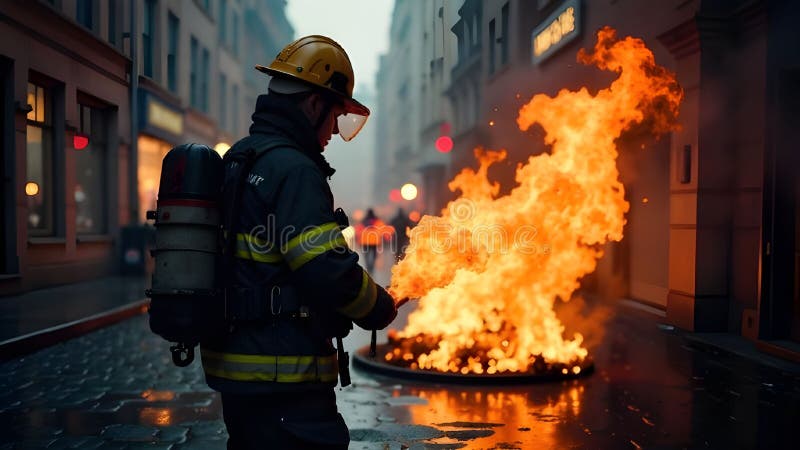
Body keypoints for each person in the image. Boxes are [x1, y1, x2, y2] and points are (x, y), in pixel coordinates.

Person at [201, 35, 398, 450]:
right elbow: (325, 268)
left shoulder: (242, 155)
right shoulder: (294, 170)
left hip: (238, 369)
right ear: (313, 105)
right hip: (282, 373)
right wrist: (379, 305)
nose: (332, 132)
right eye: (334, 116)